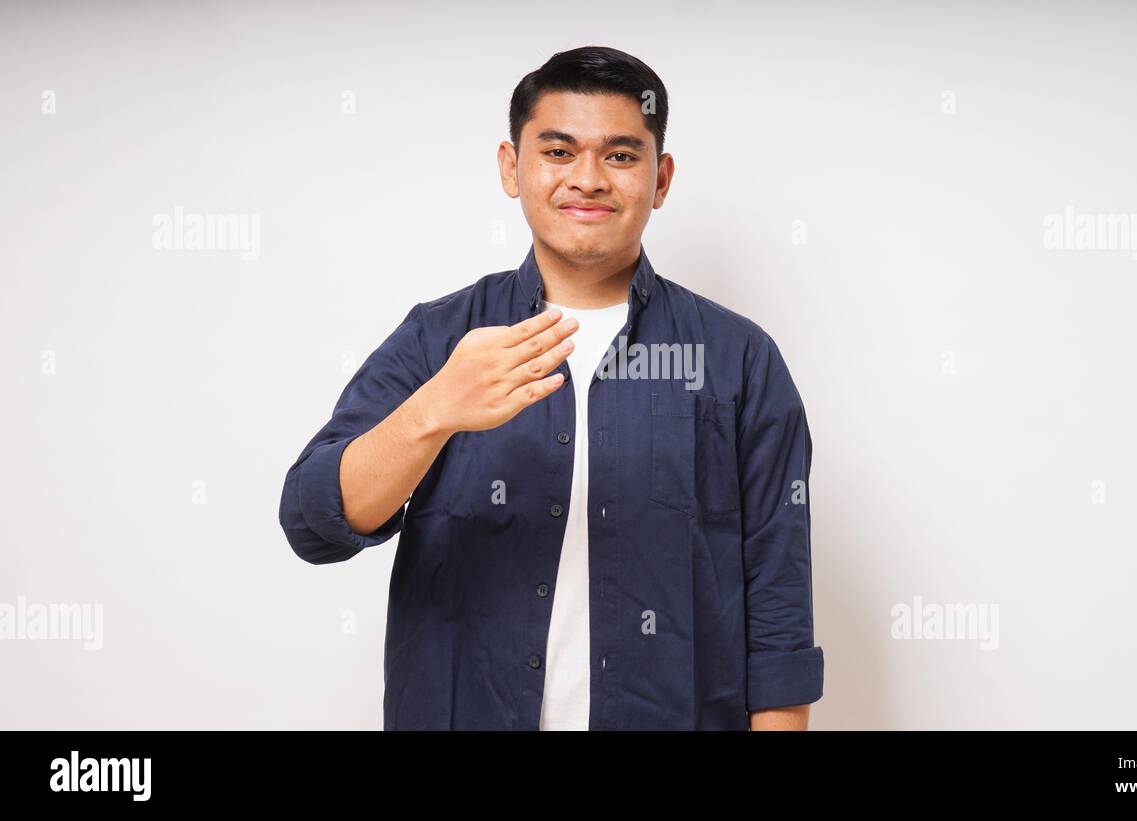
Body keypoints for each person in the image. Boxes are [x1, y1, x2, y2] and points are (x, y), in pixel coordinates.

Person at [278, 45, 823, 730]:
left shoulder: (739, 360)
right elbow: (314, 521)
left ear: (661, 178)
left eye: (621, 156)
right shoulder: (440, 341)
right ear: (512, 167)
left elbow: (778, 611)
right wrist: (436, 410)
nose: (588, 179)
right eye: (559, 152)